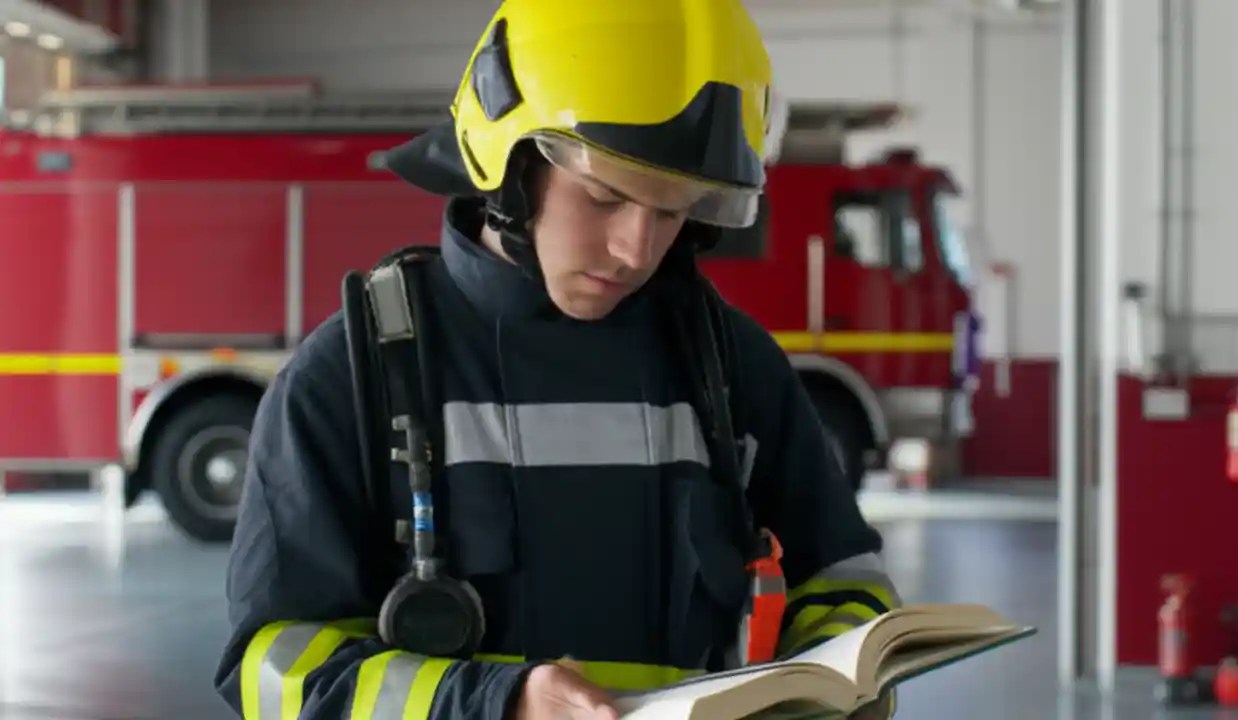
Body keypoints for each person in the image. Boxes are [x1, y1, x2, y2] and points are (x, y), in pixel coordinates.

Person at [214, 1, 900, 718]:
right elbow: (274, 666)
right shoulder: (349, 380)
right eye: (605, 196)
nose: (637, 249)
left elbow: (841, 575)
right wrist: (491, 705)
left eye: (672, 211)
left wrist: (842, 677)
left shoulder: (730, 365)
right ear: (510, 167)